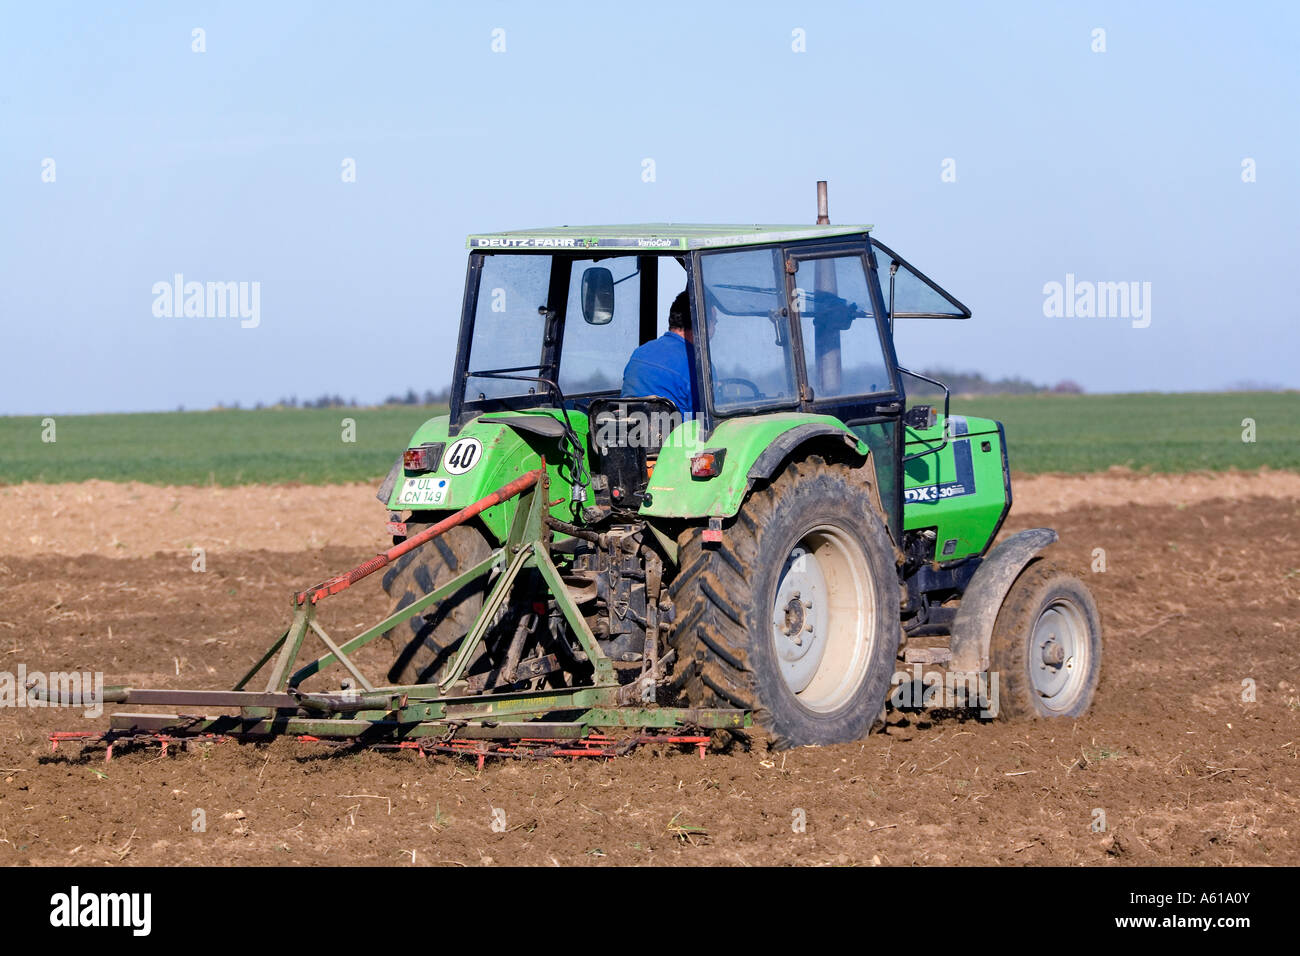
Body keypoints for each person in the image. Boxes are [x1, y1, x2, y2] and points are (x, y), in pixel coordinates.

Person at [620, 290, 702, 416]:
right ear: (701, 324)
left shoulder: (639, 353)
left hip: (626, 433)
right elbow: (706, 421)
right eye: (714, 322)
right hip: (676, 434)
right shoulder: (697, 364)